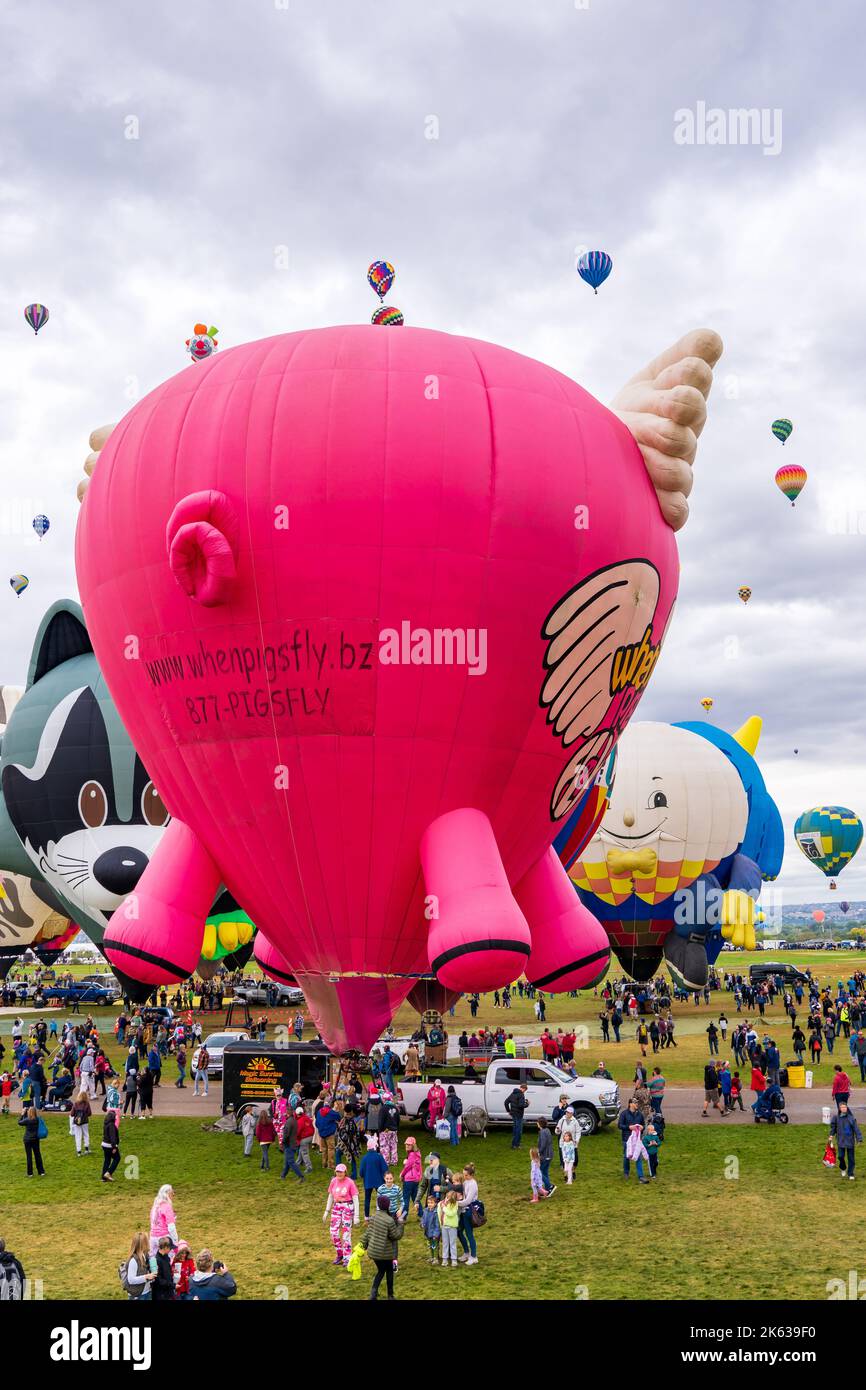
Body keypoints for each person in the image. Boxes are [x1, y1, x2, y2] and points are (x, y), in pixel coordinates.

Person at [362, 1194, 404, 1298]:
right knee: (389, 1271)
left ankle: (373, 1293)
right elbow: (396, 1236)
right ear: (388, 1205)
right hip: (385, 1253)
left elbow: (368, 1233)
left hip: (373, 1252)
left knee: (381, 1271)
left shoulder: (373, 1217)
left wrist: (362, 1245)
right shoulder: (389, 1220)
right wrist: (400, 1223)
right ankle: (390, 1295)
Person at [323, 1163, 360, 1265]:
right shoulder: (333, 1181)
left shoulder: (350, 1182)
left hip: (347, 1207)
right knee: (333, 1232)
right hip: (336, 1207)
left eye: (341, 1171)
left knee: (346, 1233)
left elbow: (356, 1199)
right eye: (337, 1171)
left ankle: (347, 1257)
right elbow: (330, 1196)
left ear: (345, 1172)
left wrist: (356, 1216)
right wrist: (327, 1211)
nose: (339, 1173)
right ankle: (340, 1254)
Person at [830, 1103, 862, 1181]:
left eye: (845, 1107)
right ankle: (843, 1168)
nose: (844, 1108)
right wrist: (831, 1135)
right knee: (840, 1156)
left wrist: (859, 1138)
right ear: (839, 1109)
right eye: (842, 1107)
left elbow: (856, 1129)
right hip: (841, 1141)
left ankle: (851, 1173)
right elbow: (833, 1128)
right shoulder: (836, 1118)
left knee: (851, 1158)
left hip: (850, 1142)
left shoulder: (851, 1118)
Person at [360, 1136, 388, 1219]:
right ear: (375, 1146)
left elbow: (361, 1172)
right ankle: (381, 1215)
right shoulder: (379, 1156)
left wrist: (364, 1176)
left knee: (367, 1199)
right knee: (381, 1198)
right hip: (379, 1182)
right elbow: (385, 1169)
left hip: (368, 1182)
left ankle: (366, 1217)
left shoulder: (364, 1158)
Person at [457, 1162, 479, 1264]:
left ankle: (474, 1256)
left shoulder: (473, 1184)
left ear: (471, 1175)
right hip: (463, 1211)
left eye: (466, 1175)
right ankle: (466, 1252)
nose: (464, 1177)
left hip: (469, 1212)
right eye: (463, 1174)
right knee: (459, 1231)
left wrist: (455, 1203)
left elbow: (468, 1201)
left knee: (469, 1234)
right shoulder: (465, 1183)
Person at [149, 1184, 179, 1255]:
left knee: (154, 1260)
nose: (173, 1194)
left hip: (153, 1237)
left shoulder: (155, 1206)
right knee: (169, 1259)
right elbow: (171, 1226)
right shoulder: (167, 1206)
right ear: (167, 1193)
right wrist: (175, 1241)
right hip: (164, 1238)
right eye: (172, 1193)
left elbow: (152, 1222)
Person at [124, 1233, 155, 1299]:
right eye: (147, 1241)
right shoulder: (133, 1261)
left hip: (147, 1291)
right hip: (138, 1295)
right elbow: (131, 1280)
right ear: (143, 1244)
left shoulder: (145, 1256)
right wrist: (146, 1277)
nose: (149, 1242)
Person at [280, 1106, 305, 1181]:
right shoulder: (294, 1120)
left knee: (290, 1161)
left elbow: (286, 1134)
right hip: (293, 1143)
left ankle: (301, 1176)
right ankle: (283, 1175)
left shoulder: (289, 1122)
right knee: (287, 1161)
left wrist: (282, 1142)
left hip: (289, 1144)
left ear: (287, 1113)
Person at [18, 1106, 45, 1177]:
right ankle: (41, 1171)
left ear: (28, 1112)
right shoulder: (37, 1119)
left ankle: (30, 1173)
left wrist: (22, 1114)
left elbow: (19, 1122)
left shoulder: (27, 1120)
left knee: (29, 1156)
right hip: (36, 1139)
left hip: (27, 1140)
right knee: (38, 1155)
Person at [315, 1097, 339, 1170]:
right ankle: (331, 1165)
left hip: (321, 1133)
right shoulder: (331, 1112)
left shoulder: (319, 1111)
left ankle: (324, 1164)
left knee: (324, 1149)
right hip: (329, 1133)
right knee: (331, 1149)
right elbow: (339, 1117)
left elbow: (316, 1123)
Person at [399, 1137, 421, 1215]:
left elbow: (407, 1167)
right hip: (415, 1180)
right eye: (406, 1144)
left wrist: (402, 1174)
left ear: (413, 1145)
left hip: (409, 1180)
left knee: (405, 1199)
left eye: (409, 1144)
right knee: (415, 1198)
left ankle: (403, 1216)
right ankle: (421, 1214)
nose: (407, 1146)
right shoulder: (417, 1154)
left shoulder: (412, 1155)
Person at [439, 1188, 462, 1260]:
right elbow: (440, 1213)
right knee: (445, 1244)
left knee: (452, 1244)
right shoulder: (443, 1204)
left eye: (448, 1197)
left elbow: (451, 1213)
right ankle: (445, 1258)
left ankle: (454, 1259)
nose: (447, 1199)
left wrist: (444, 1208)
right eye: (446, 1197)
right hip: (444, 1226)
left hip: (452, 1227)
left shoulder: (455, 1205)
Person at [151, 1237, 176, 1301]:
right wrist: (172, 1285)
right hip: (161, 1294)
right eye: (170, 1248)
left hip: (168, 1291)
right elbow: (159, 1280)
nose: (171, 1250)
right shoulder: (156, 1261)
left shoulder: (166, 1257)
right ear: (165, 1247)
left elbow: (165, 1271)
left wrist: (171, 1270)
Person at [505, 1083, 529, 1148]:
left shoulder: (513, 1093)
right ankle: (516, 1145)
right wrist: (527, 1104)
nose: (524, 1091)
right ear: (524, 1089)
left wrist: (508, 1111)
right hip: (519, 1114)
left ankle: (514, 1144)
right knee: (519, 1130)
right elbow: (521, 1105)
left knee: (515, 1129)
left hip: (513, 1114)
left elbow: (506, 1102)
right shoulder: (521, 1095)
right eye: (525, 1090)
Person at [69, 1089, 92, 1156]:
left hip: (77, 1122)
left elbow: (72, 1114)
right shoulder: (87, 1104)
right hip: (85, 1121)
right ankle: (87, 1149)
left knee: (78, 1136)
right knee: (86, 1135)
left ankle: (79, 1151)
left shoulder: (75, 1103)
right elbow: (89, 1113)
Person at [101, 1107, 121, 1181]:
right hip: (110, 1145)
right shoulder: (112, 1125)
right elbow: (112, 1137)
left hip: (104, 1144)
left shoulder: (106, 1124)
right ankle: (108, 1173)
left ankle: (103, 1177)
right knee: (117, 1158)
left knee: (107, 1160)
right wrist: (114, 1147)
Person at [420, 1194, 441, 1264]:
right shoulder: (425, 1210)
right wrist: (422, 1224)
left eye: (431, 1203)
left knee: (434, 1246)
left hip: (434, 1233)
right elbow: (423, 1219)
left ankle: (436, 1258)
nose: (430, 1204)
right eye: (428, 1203)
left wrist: (436, 1234)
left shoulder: (436, 1212)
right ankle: (431, 1257)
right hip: (427, 1232)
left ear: (435, 1204)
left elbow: (437, 1225)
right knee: (430, 1245)